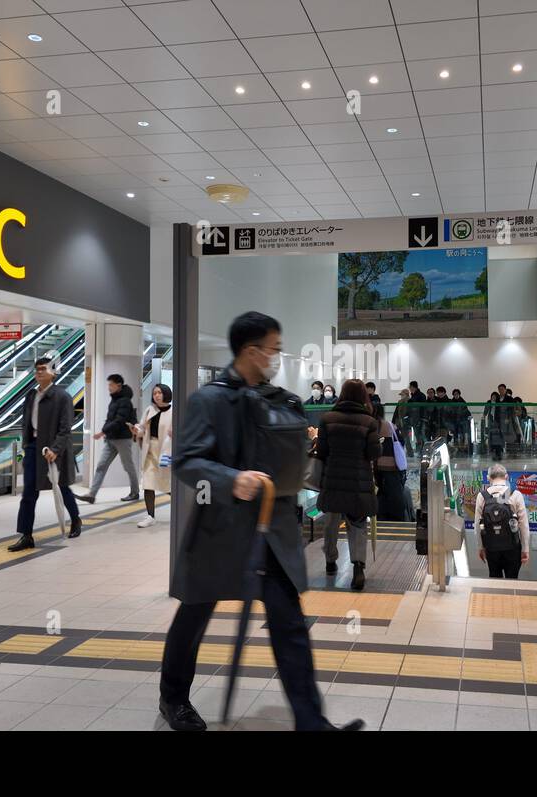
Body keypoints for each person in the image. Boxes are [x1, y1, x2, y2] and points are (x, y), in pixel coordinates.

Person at [162, 311, 362, 732]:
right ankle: (173, 699)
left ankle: (312, 722)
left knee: (289, 625)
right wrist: (232, 479)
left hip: (272, 535)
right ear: (251, 351)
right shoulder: (209, 401)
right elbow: (186, 461)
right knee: (194, 616)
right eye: (272, 348)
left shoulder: (282, 400)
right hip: (218, 531)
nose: (276, 356)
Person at [9, 356, 82, 551]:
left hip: (54, 450)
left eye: (43, 369)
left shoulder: (62, 396)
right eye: (37, 369)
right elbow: (26, 422)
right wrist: (26, 444)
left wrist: (56, 449)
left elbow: (66, 428)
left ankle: (75, 519)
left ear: (53, 372)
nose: (39, 372)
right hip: (34, 448)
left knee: (62, 488)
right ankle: (26, 535)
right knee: (29, 493)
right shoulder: (31, 395)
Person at [315, 379, 382, 591]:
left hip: (333, 478)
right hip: (358, 482)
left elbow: (322, 451)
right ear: (363, 396)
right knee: (358, 525)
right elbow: (373, 454)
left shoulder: (327, 419)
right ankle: (358, 568)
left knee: (331, 523)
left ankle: (330, 561)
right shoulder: (369, 422)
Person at [77, 374, 140, 506]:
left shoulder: (125, 401)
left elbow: (119, 420)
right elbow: (111, 419)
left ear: (119, 385)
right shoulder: (114, 400)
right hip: (111, 439)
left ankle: (135, 492)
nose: (109, 387)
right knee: (101, 466)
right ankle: (91, 495)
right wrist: (105, 432)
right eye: (108, 384)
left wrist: (102, 432)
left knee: (128, 466)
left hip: (122, 439)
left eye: (111, 385)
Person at [474, 464, 530, 578]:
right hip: (512, 547)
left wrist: (480, 547)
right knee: (512, 579)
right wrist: (525, 549)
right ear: (507, 477)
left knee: (494, 578)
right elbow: (523, 525)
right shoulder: (515, 494)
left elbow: (478, 525)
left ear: (489, 478)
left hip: (491, 547)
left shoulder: (482, 496)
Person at [130, 383, 173, 528]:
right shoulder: (150, 410)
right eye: (154, 393)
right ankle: (150, 516)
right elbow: (142, 429)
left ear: (166, 394)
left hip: (166, 451)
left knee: (168, 485)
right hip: (150, 450)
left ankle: (184, 510)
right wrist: (136, 430)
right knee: (148, 483)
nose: (156, 395)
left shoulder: (174, 412)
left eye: (159, 392)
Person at [373, 402, 410, 521]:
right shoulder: (390, 425)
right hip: (392, 466)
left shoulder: (370, 426)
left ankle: (380, 517)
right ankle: (396, 518)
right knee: (394, 493)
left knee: (380, 492)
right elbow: (401, 442)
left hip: (376, 466)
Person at [483, 391, 505, 461]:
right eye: (492, 396)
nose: (493, 398)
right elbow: (485, 411)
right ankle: (493, 450)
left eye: (495, 397)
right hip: (491, 421)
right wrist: (483, 416)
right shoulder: (488, 403)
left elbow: (502, 413)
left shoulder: (499, 404)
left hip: (497, 422)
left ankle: (498, 451)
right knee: (491, 435)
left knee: (497, 437)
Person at [407, 380, 427, 454]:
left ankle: (424, 451)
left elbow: (422, 409)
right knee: (418, 435)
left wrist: (421, 418)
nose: (410, 389)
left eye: (410, 387)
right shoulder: (413, 396)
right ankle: (421, 451)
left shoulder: (421, 396)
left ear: (413, 387)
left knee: (421, 436)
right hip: (415, 419)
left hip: (420, 419)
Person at [450, 388, 471, 454]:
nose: (456, 395)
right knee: (456, 436)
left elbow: (466, 411)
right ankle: (457, 448)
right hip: (455, 422)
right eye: (454, 394)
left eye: (457, 394)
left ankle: (461, 448)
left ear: (459, 394)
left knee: (462, 435)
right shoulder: (452, 402)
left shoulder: (462, 402)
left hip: (462, 422)